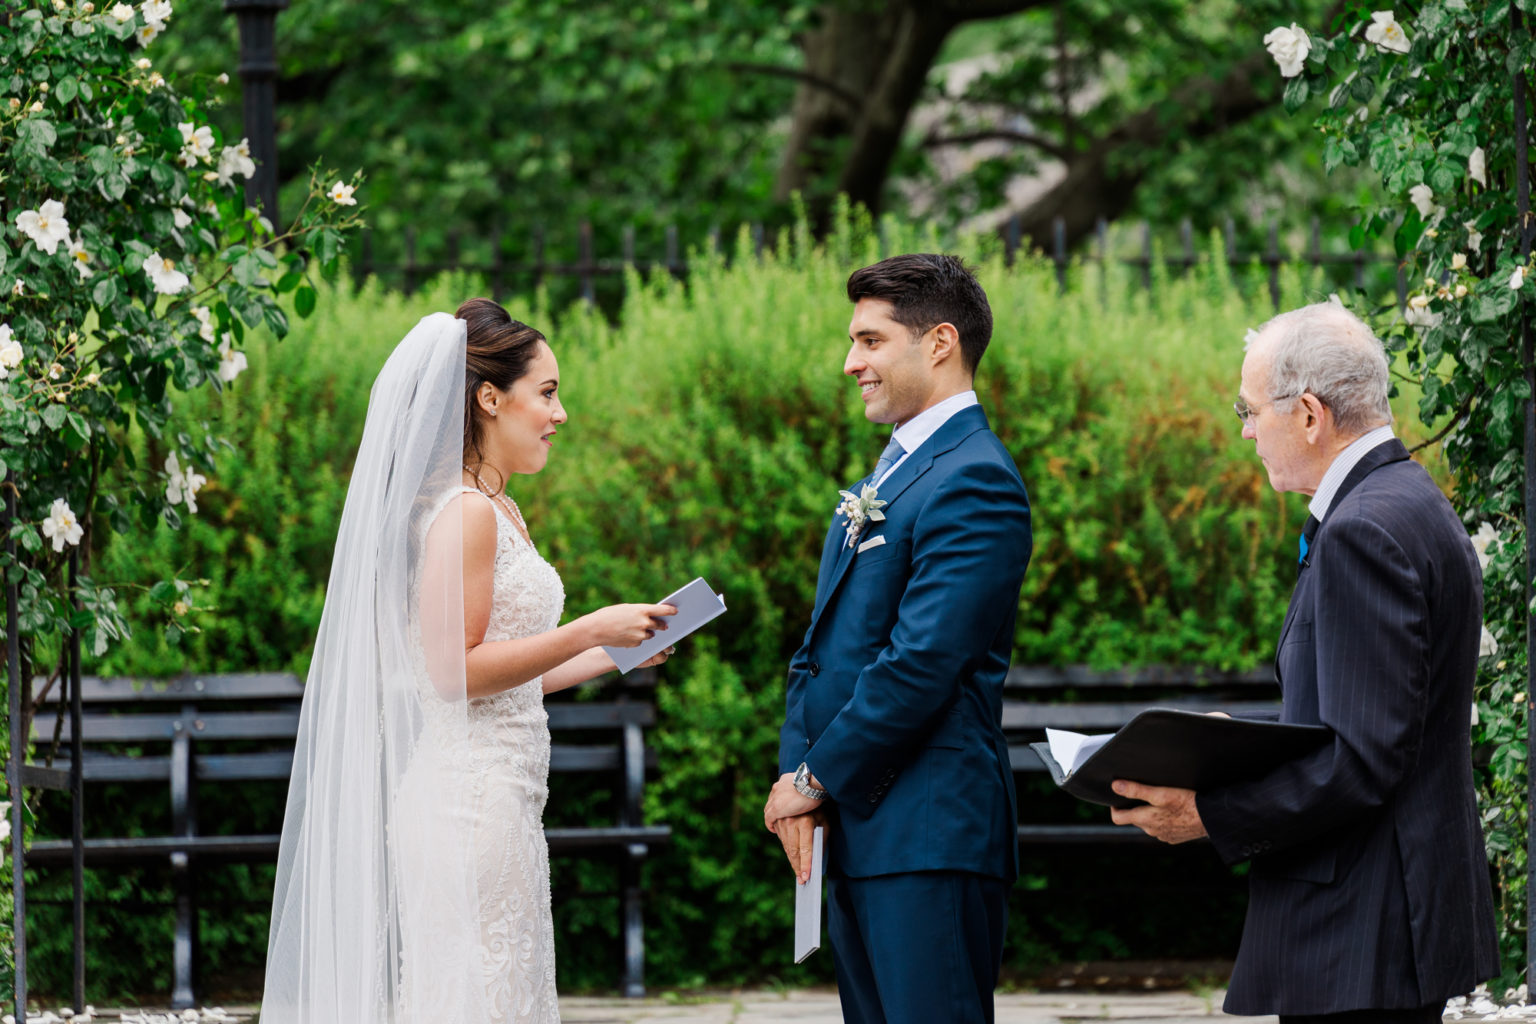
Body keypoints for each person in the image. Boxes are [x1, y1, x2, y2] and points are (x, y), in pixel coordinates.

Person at [261, 299, 677, 1024]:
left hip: (502, 800)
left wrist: (614, 653)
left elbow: (506, 680)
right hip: (468, 808)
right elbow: (454, 675)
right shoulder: (467, 513)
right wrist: (586, 628)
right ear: (490, 397)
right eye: (546, 392)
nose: (561, 413)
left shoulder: (498, 507)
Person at [1111, 301, 1498, 1022]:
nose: (1247, 430)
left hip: (1361, 932)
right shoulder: (1412, 499)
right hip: (1393, 921)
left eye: (1250, 410)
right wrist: (1241, 745)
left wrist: (1210, 812)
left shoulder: (1363, 530)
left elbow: (1361, 760)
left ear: (1311, 415)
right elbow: (1376, 717)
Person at [763, 254, 1032, 1024]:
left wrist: (813, 779)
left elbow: (922, 664)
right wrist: (801, 786)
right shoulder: (897, 471)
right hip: (864, 826)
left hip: (928, 832)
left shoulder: (975, 479)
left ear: (939, 341)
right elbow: (821, 649)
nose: (851, 363)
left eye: (871, 341)